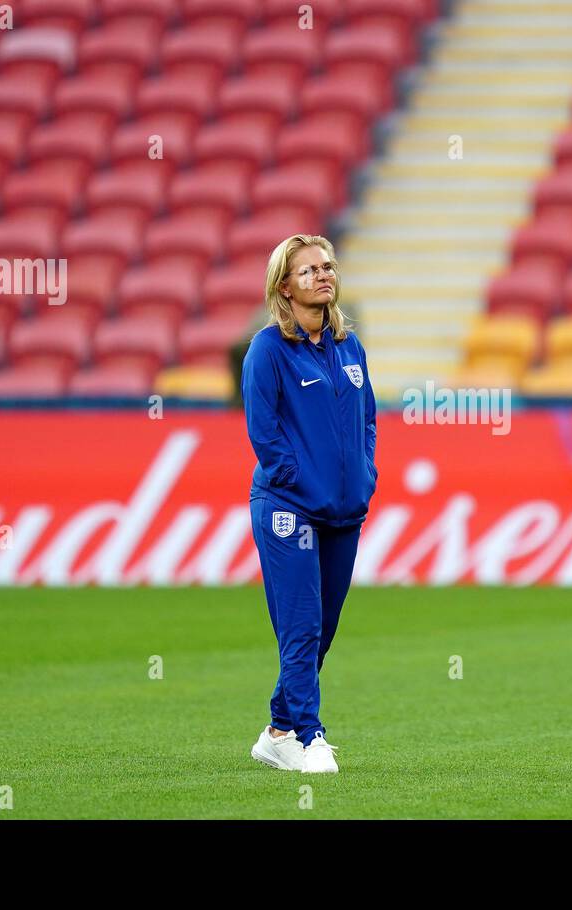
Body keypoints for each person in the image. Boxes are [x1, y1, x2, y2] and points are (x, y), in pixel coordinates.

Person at [242, 234, 378, 774]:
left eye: (327, 267)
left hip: (345, 509)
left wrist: (364, 475)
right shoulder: (268, 350)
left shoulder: (350, 348)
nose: (323, 276)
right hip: (287, 508)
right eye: (308, 271)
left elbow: (367, 420)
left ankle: (277, 730)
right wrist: (296, 479)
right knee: (300, 626)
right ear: (284, 285)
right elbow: (263, 430)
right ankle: (308, 736)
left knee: (323, 629)